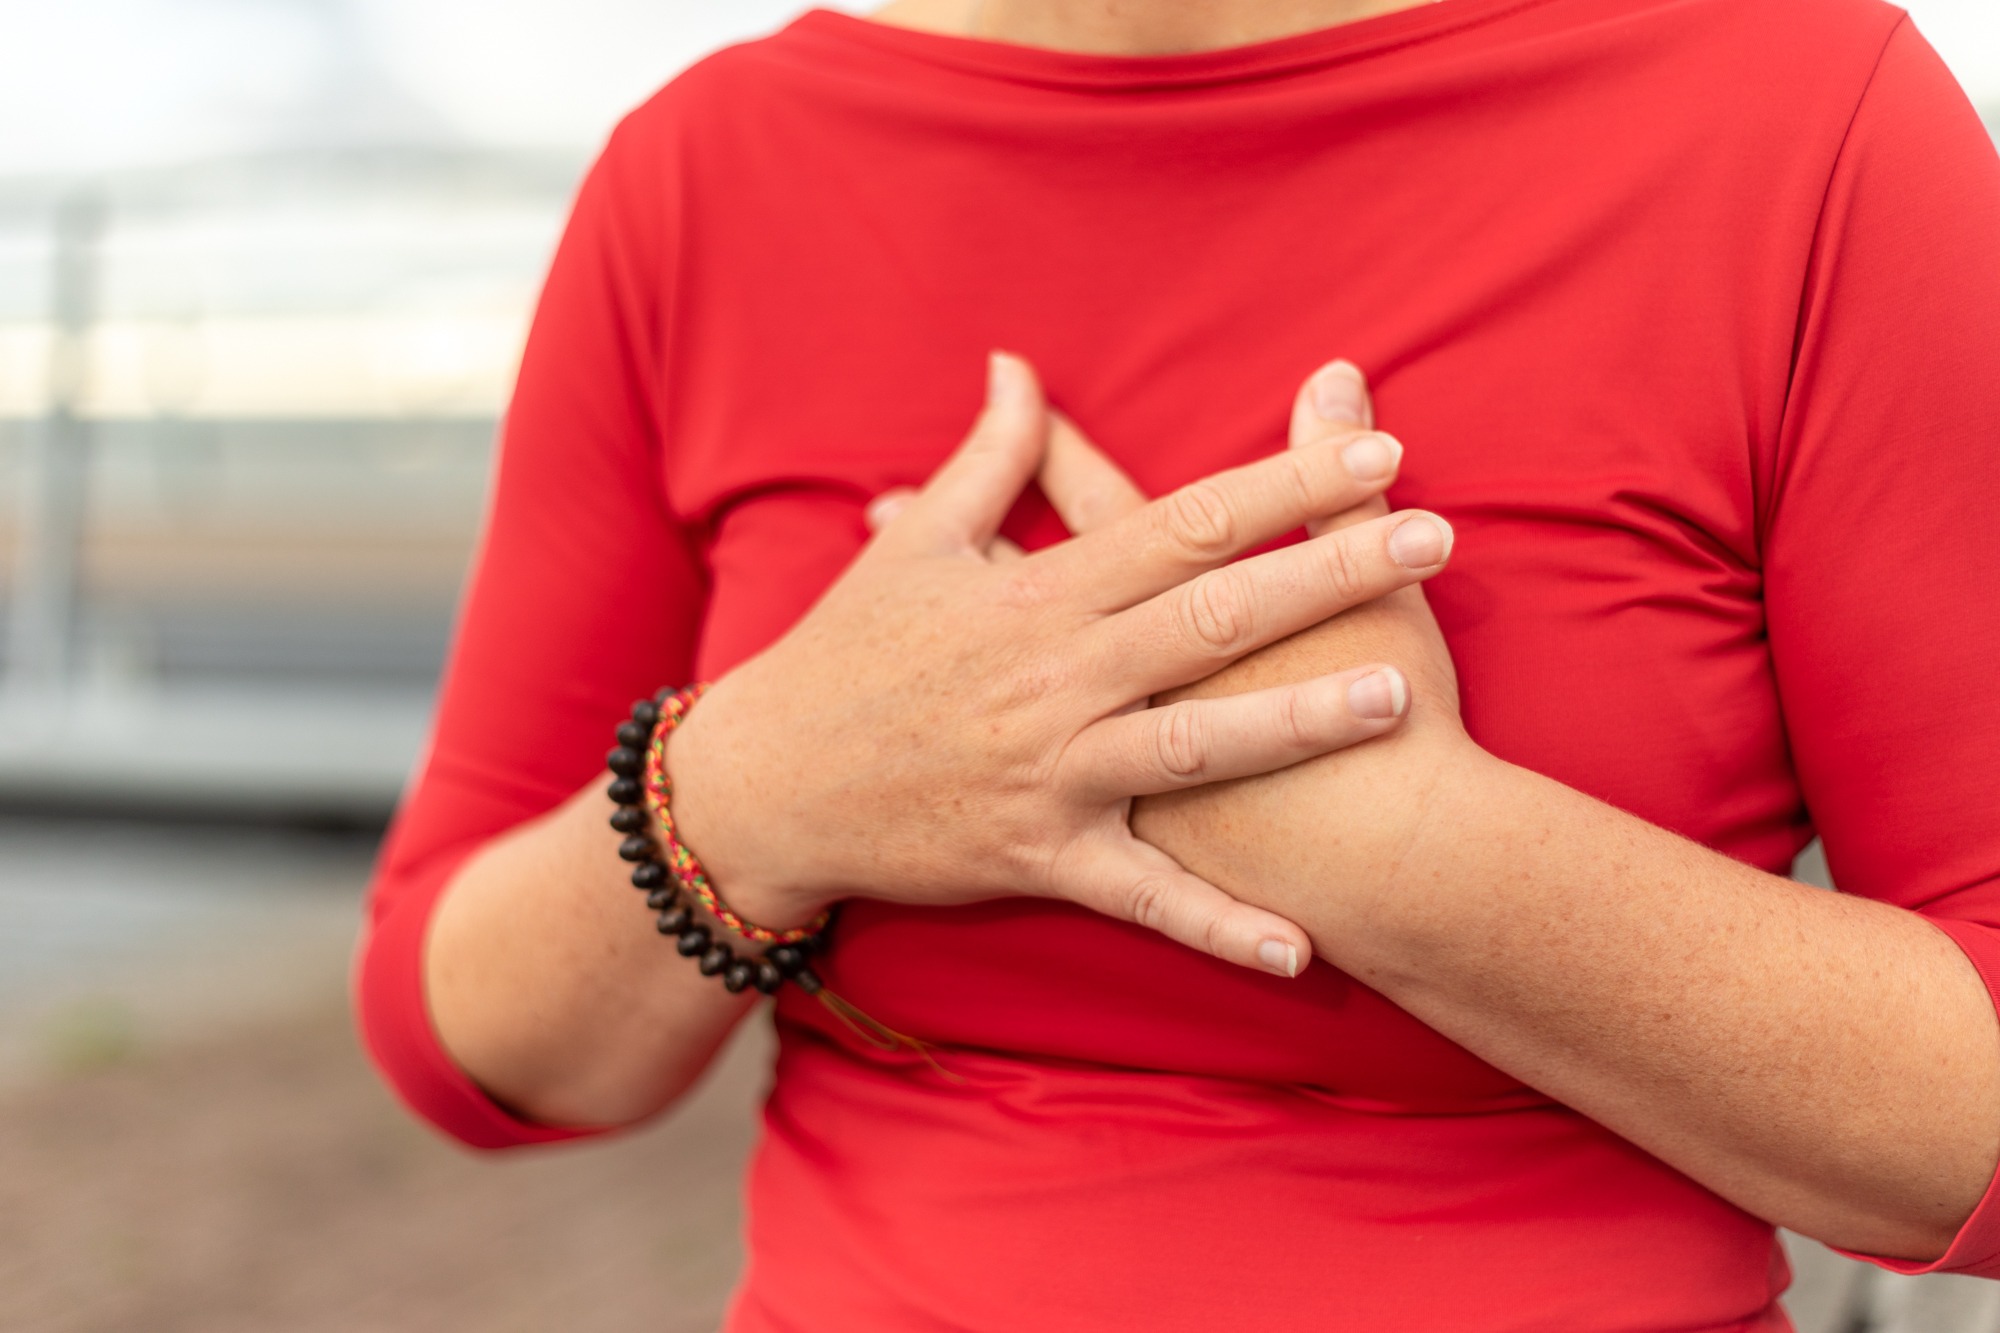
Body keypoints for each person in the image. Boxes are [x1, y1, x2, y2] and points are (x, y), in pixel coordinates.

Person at [355, 0, 2000, 1327]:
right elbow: (467, 1040)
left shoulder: (1805, 116)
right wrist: (759, 787)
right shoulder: (705, 173)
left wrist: (1409, 857)